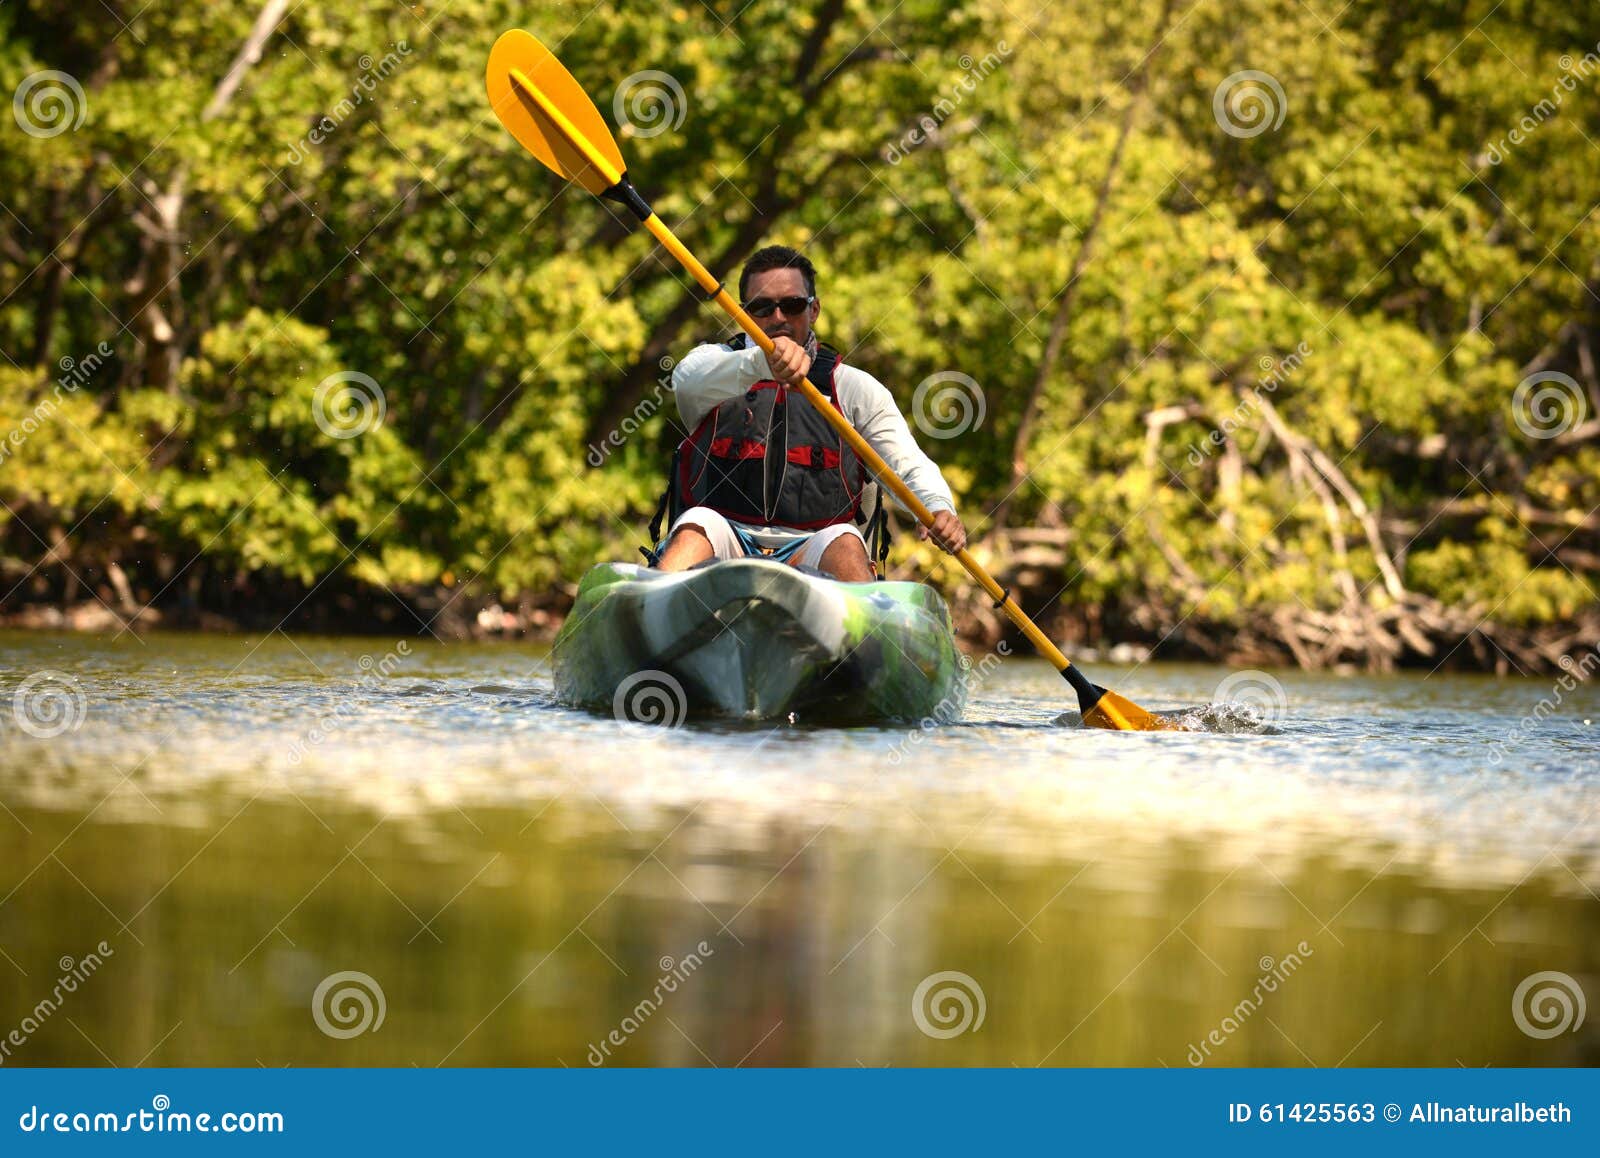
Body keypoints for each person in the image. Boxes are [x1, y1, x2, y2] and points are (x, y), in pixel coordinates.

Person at [651, 245, 967, 582]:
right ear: (741, 314)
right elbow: (686, 382)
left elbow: (906, 463)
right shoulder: (712, 367)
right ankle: (651, 609)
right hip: (723, 533)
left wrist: (937, 507)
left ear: (813, 309)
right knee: (695, 526)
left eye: (792, 305)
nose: (777, 318)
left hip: (814, 542)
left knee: (845, 540)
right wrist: (763, 362)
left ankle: (864, 631)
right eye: (761, 307)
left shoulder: (853, 388)